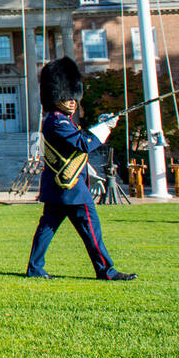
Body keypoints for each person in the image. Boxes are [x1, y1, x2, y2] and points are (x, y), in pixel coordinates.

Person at [27, 57, 136, 281]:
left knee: (47, 229)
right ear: (56, 97)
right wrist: (105, 128)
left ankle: (35, 269)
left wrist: (101, 124)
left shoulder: (60, 120)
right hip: (72, 189)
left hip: (62, 188)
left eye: (73, 98)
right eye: (67, 97)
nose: (72, 102)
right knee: (91, 231)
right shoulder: (59, 121)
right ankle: (106, 271)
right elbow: (84, 144)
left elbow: (80, 138)